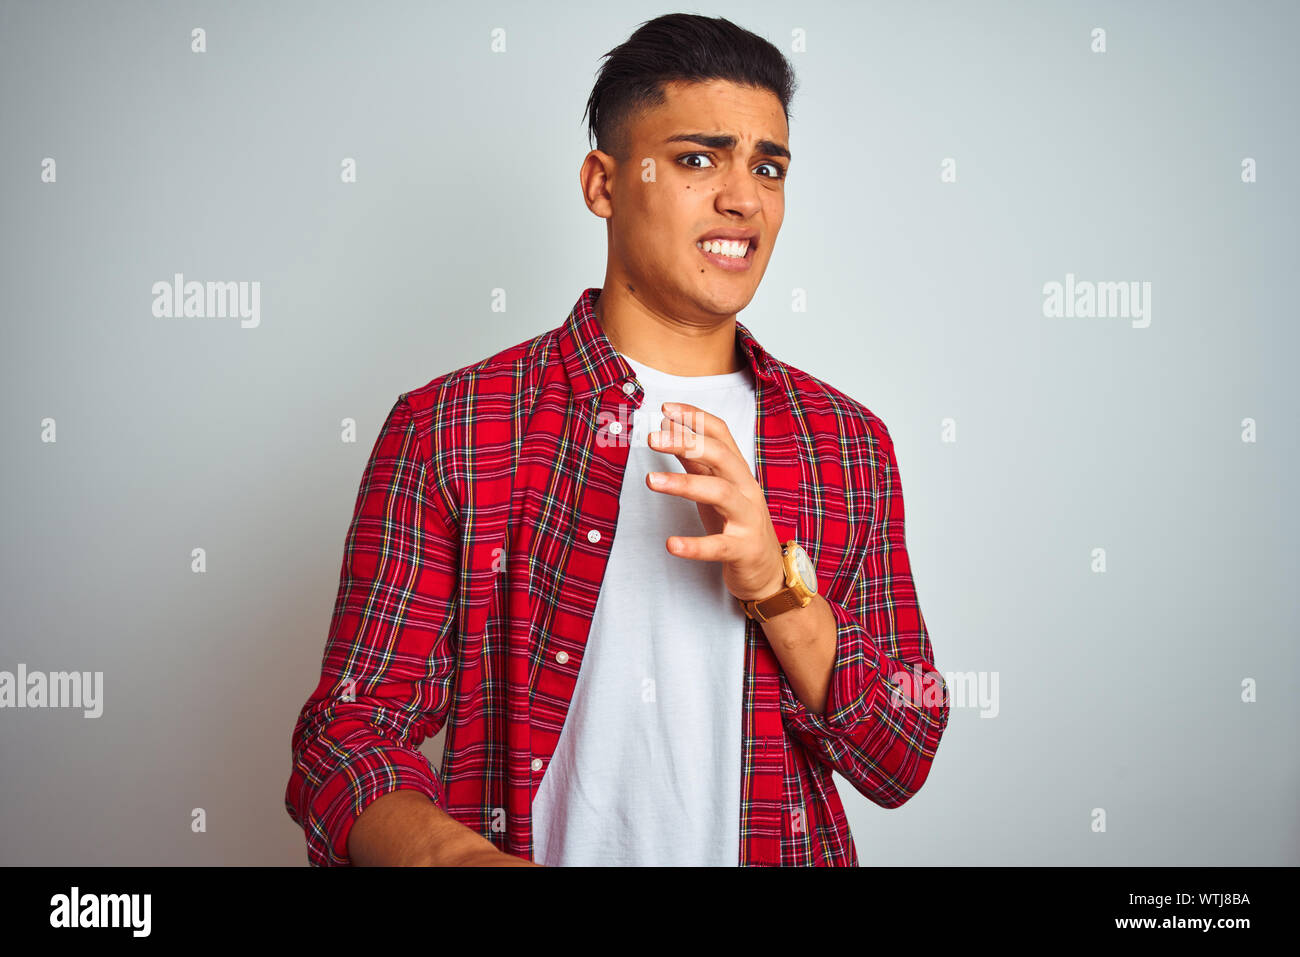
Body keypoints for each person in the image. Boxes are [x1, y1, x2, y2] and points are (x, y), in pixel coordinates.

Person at [285, 12, 949, 867]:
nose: (744, 198)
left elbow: (903, 749)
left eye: (768, 167)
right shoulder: (452, 427)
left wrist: (775, 586)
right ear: (603, 183)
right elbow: (347, 736)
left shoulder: (847, 444)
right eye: (698, 159)